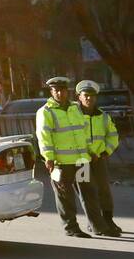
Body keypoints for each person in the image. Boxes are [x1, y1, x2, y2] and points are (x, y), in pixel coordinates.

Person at [36, 76, 102, 238]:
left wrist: (91, 151)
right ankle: (71, 227)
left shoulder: (75, 108)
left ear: (67, 91)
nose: (60, 93)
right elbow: (44, 137)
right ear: (51, 92)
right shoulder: (46, 111)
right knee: (65, 197)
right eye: (56, 90)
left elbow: (84, 131)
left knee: (89, 193)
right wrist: (49, 158)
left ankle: (97, 226)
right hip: (60, 163)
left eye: (63, 90)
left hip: (81, 161)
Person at [75, 80, 123, 236]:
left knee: (104, 190)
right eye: (86, 95)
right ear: (79, 97)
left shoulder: (103, 116)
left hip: (99, 160)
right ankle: (93, 222)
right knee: (87, 193)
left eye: (92, 96)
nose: (89, 98)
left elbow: (113, 136)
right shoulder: (73, 116)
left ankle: (108, 220)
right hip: (80, 160)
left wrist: (104, 153)